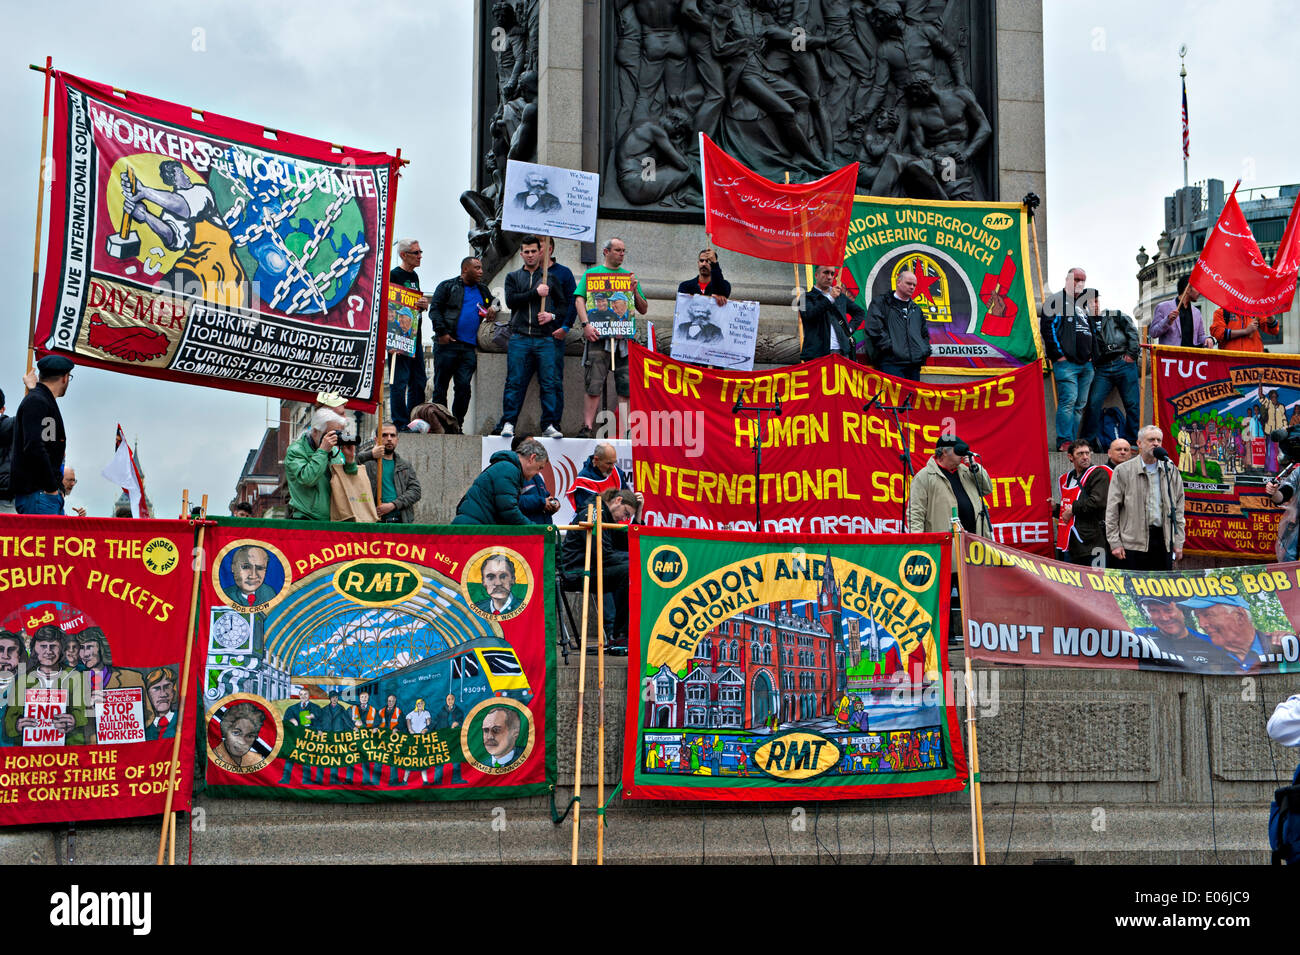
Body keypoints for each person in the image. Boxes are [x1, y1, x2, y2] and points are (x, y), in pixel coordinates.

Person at [574, 238, 648, 439]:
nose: (622, 254)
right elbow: (579, 299)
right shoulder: (591, 274)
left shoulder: (629, 277)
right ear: (606, 252)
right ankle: (588, 427)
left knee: (626, 386)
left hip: (624, 341)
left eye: (624, 250)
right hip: (598, 338)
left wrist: (634, 290)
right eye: (618, 250)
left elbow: (643, 308)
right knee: (594, 383)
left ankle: (625, 430)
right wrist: (585, 324)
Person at [498, 235, 568, 438]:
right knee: (514, 381)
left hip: (545, 339)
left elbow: (564, 306)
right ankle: (509, 421)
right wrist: (536, 293)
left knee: (549, 382)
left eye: (533, 251)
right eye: (526, 252)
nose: (530, 255)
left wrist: (551, 316)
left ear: (540, 253)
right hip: (520, 337)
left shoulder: (551, 278)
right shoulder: (513, 277)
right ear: (521, 254)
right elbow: (511, 301)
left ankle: (549, 424)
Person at [560, 487, 637, 654]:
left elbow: (628, 545)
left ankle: (623, 633)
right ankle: (621, 635)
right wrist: (635, 560)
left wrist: (638, 515)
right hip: (578, 572)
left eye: (628, 516)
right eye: (626, 513)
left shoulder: (606, 515)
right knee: (629, 571)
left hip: (592, 567)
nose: (625, 518)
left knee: (633, 570)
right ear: (618, 501)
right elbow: (603, 554)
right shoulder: (595, 512)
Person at [1105, 425, 1185, 570]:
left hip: (1163, 540)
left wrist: (1178, 541)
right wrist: (1114, 542)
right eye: (1151, 440)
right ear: (1139, 444)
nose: (1156, 443)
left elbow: (1179, 508)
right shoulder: (1123, 470)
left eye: (1158, 440)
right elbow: (1112, 510)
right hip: (1133, 542)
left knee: (1161, 589)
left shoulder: (1171, 469)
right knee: (1133, 589)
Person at [429, 255, 494, 431]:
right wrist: (441, 333)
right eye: (477, 268)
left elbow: (493, 303)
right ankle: (440, 424)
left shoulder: (483, 290)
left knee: (464, 387)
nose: (481, 271)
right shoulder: (447, 286)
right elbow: (434, 310)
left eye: (481, 268)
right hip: (447, 345)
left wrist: (493, 309)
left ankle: (457, 424)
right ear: (465, 269)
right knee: (440, 387)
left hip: (468, 348)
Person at [1039, 268, 1096, 451]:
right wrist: (1059, 355)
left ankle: (1073, 443)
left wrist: (1091, 356)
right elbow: (1048, 329)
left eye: (1083, 279)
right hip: (1066, 363)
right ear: (1068, 279)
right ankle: (1065, 441)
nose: (1080, 282)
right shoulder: (1056, 300)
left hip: (1086, 364)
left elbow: (1090, 330)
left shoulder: (1082, 305)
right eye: (1077, 278)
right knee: (1069, 400)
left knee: (1080, 405)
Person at [11, 355, 73, 515]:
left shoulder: (40, 400)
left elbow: (45, 443)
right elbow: (35, 446)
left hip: (42, 494)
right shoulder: (38, 401)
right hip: (40, 495)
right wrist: (51, 487)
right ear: (65, 378)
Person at [5, 626, 85, 745]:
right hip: (32, 751)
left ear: (61, 649)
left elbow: (84, 713)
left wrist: (74, 720)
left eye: (53, 646)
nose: (48, 651)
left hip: (68, 751)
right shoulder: (23, 680)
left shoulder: (76, 676)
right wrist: (17, 725)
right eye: (43, 646)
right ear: (34, 649)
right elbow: (10, 718)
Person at [1082, 291, 1141, 450]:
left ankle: (1133, 440)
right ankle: (1089, 441)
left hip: (1123, 361)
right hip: (1102, 367)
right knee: (1093, 403)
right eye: (1089, 302)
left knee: (1132, 404)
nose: (1094, 304)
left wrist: (1131, 354)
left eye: (1095, 301)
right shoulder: (1085, 323)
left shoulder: (1113, 315)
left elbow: (1132, 331)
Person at [907, 436, 993, 535]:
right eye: (958, 450)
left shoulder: (967, 471)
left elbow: (986, 489)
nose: (962, 454)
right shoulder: (924, 476)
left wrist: (975, 468)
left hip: (974, 542)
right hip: (946, 544)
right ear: (944, 452)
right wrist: (920, 544)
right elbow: (916, 513)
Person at [389, 239, 433, 432]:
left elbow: (411, 306)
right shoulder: (393, 275)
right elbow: (390, 306)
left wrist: (422, 306)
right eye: (416, 252)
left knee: (419, 380)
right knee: (399, 381)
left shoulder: (414, 276)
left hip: (414, 335)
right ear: (403, 255)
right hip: (398, 336)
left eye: (420, 251)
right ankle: (400, 422)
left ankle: (413, 418)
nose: (420, 256)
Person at [451, 438, 548, 525]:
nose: (538, 473)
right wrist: (534, 529)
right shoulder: (509, 469)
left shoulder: (508, 467)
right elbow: (508, 510)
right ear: (532, 458)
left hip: (473, 527)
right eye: (539, 468)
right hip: (471, 531)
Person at [1178, 594, 1273, 673]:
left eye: (1208, 615)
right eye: (1198, 617)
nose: (1201, 624)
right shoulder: (1204, 646)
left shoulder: (1279, 645)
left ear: (1239, 616)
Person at [1055, 440, 1113, 566]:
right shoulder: (1066, 478)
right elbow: (1067, 509)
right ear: (1070, 457)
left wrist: (1072, 510)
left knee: (1096, 582)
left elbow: (1097, 502)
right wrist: (1055, 508)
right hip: (1069, 543)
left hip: (1092, 543)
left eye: (1087, 453)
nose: (1085, 457)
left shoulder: (1098, 473)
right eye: (1080, 453)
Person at [863, 269, 929, 379]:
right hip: (890, 364)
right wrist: (891, 349)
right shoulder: (880, 303)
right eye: (909, 283)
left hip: (914, 365)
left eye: (914, 285)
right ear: (898, 283)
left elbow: (924, 334)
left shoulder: (916, 309)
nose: (912, 287)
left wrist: (923, 350)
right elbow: (874, 329)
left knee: (912, 396)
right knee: (893, 397)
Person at [285, 407, 348, 521]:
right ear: (315, 431)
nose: (333, 439)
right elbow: (308, 479)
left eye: (337, 434)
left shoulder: (334, 451)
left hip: (331, 518)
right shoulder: (296, 450)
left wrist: (350, 459)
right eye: (330, 434)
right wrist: (323, 451)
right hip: (305, 518)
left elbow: (345, 482)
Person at [543, 238, 578, 429]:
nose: (535, 252)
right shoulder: (525, 275)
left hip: (554, 335)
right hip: (528, 336)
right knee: (518, 382)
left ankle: (553, 423)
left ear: (549, 248)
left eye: (540, 247)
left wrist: (565, 326)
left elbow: (572, 302)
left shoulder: (563, 273)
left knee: (554, 381)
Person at [357, 424, 422, 523]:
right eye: (384, 435)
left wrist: (393, 505)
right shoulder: (368, 463)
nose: (389, 439)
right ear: (376, 439)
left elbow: (415, 491)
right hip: (374, 522)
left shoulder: (404, 465)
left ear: (397, 439)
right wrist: (370, 454)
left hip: (401, 521)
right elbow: (348, 464)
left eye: (392, 435)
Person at [568, 442, 639, 518]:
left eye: (614, 463)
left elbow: (626, 497)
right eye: (608, 463)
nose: (612, 467)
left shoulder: (616, 472)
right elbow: (589, 513)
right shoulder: (584, 480)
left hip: (615, 522)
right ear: (596, 460)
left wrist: (633, 499)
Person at [1149, 275, 1210, 348]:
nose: (1200, 292)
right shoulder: (1163, 307)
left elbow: (1200, 337)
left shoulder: (1197, 312)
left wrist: (1208, 339)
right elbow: (1153, 333)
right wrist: (1167, 320)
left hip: (1191, 357)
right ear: (1187, 289)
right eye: (1197, 288)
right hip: (1171, 357)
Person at [514, 433, 560, 525]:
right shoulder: (513, 472)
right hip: (526, 532)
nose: (536, 446)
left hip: (541, 530)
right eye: (531, 444)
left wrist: (554, 503)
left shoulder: (536, 476)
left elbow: (545, 496)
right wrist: (541, 502)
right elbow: (511, 501)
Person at [280, 687, 322, 784]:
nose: (303, 696)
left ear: (309, 696)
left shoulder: (315, 708)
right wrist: (291, 720)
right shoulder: (292, 708)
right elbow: (285, 720)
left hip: (309, 736)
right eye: (301, 694)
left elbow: (321, 719)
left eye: (305, 694)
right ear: (299, 696)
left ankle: (306, 780)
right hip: (296, 735)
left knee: (307, 758)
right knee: (290, 756)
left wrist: (318, 728)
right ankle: (285, 779)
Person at [213, 702, 266, 769]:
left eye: (249, 736)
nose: (242, 742)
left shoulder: (257, 760)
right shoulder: (213, 757)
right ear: (225, 732)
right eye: (236, 733)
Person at [431, 693, 466, 785]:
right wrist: (427, 728)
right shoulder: (441, 711)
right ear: (446, 701)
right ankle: (437, 781)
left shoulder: (459, 711)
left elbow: (461, 720)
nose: (450, 701)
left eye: (452, 699)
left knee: (456, 759)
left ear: (454, 700)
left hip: (454, 738)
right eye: (448, 699)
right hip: (442, 738)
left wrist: (457, 723)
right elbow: (434, 722)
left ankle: (456, 779)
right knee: (439, 760)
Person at [1211, 306, 1278, 352]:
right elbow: (1218, 333)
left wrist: (1269, 312)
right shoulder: (1221, 312)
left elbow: (1273, 330)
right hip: (1231, 360)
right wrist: (1245, 331)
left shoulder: (1255, 311)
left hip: (1254, 360)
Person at [351, 690, 381, 785]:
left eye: (366, 697)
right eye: (362, 697)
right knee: (362, 759)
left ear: (368, 698)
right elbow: (346, 719)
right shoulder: (353, 709)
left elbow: (378, 720)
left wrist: (375, 727)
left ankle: (376, 781)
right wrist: (353, 726)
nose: (364, 699)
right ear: (359, 698)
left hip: (370, 737)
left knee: (373, 758)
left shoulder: (374, 709)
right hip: (358, 737)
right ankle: (365, 780)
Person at [402, 697, 433, 785]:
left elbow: (428, 724)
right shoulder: (411, 714)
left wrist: (426, 729)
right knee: (410, 760)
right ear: (416, 704)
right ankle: (404, 780)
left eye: (422, 703)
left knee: (422, 760)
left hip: (422, 739)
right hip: (413, 739)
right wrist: (411, 731)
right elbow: (408, 722)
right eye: (419, 704)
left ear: (424, 704)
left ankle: (425, 781)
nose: (420, 705)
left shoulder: (426, 713)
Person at [143, 666, 178, 741]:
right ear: (147, 694)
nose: (163, 694)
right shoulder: (143, 727)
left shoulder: (183, 720)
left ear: (173, 690)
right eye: (156, 688)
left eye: (167, 687)